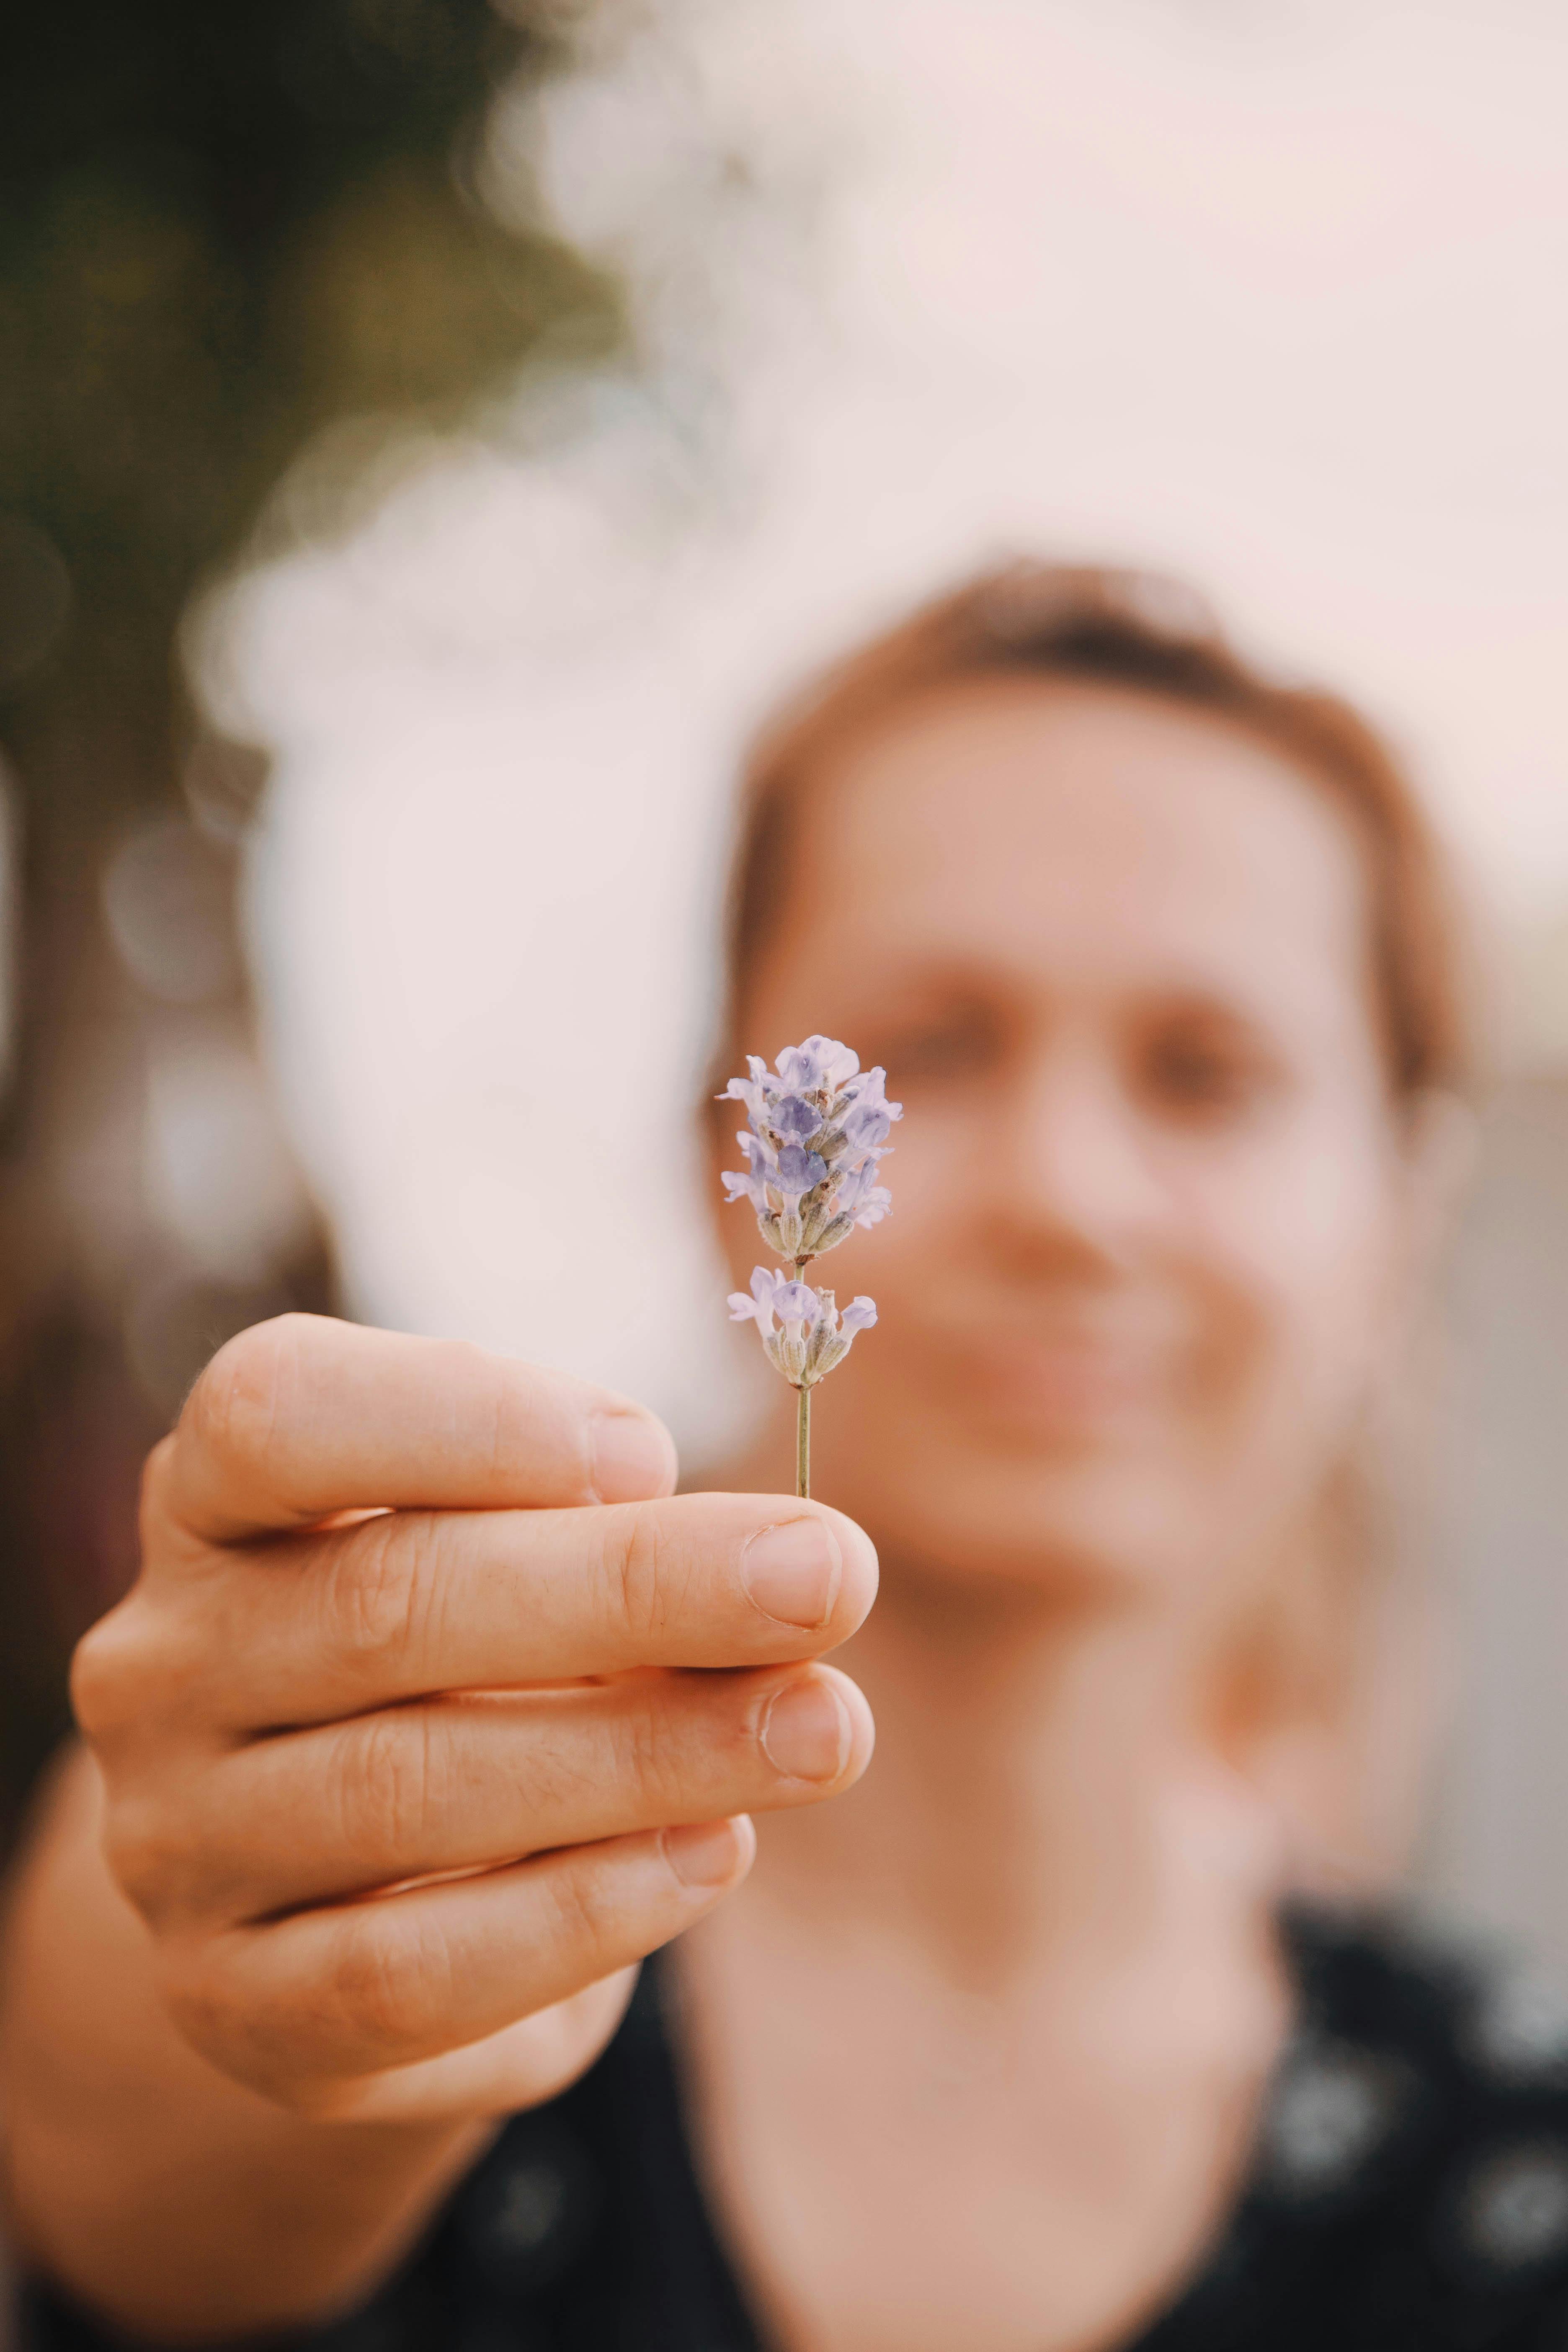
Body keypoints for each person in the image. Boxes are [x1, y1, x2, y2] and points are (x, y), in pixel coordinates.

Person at [5, 562, 1563, 2352]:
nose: (1065, 1197)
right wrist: (223, 1905)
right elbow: (137, 2140)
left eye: (1204, 1073)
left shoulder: (1502, 2154)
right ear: (725, 1166)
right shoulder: (476, 1909)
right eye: (929, 1050)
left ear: (1404, 1214)